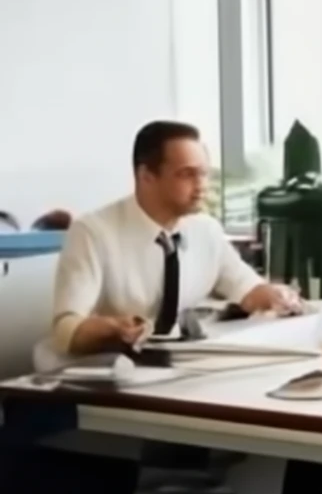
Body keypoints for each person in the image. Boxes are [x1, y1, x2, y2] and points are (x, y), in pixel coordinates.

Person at [52, 120, 299, 355]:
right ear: (146, 175)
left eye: (204, 173)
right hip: (108, 370)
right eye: (187, 174)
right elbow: (66, 329)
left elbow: (247, 289)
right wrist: (114, 329)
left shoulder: (206, 229)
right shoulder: (92, 233)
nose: (202, 185)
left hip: (179, 365)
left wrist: (275, 297)